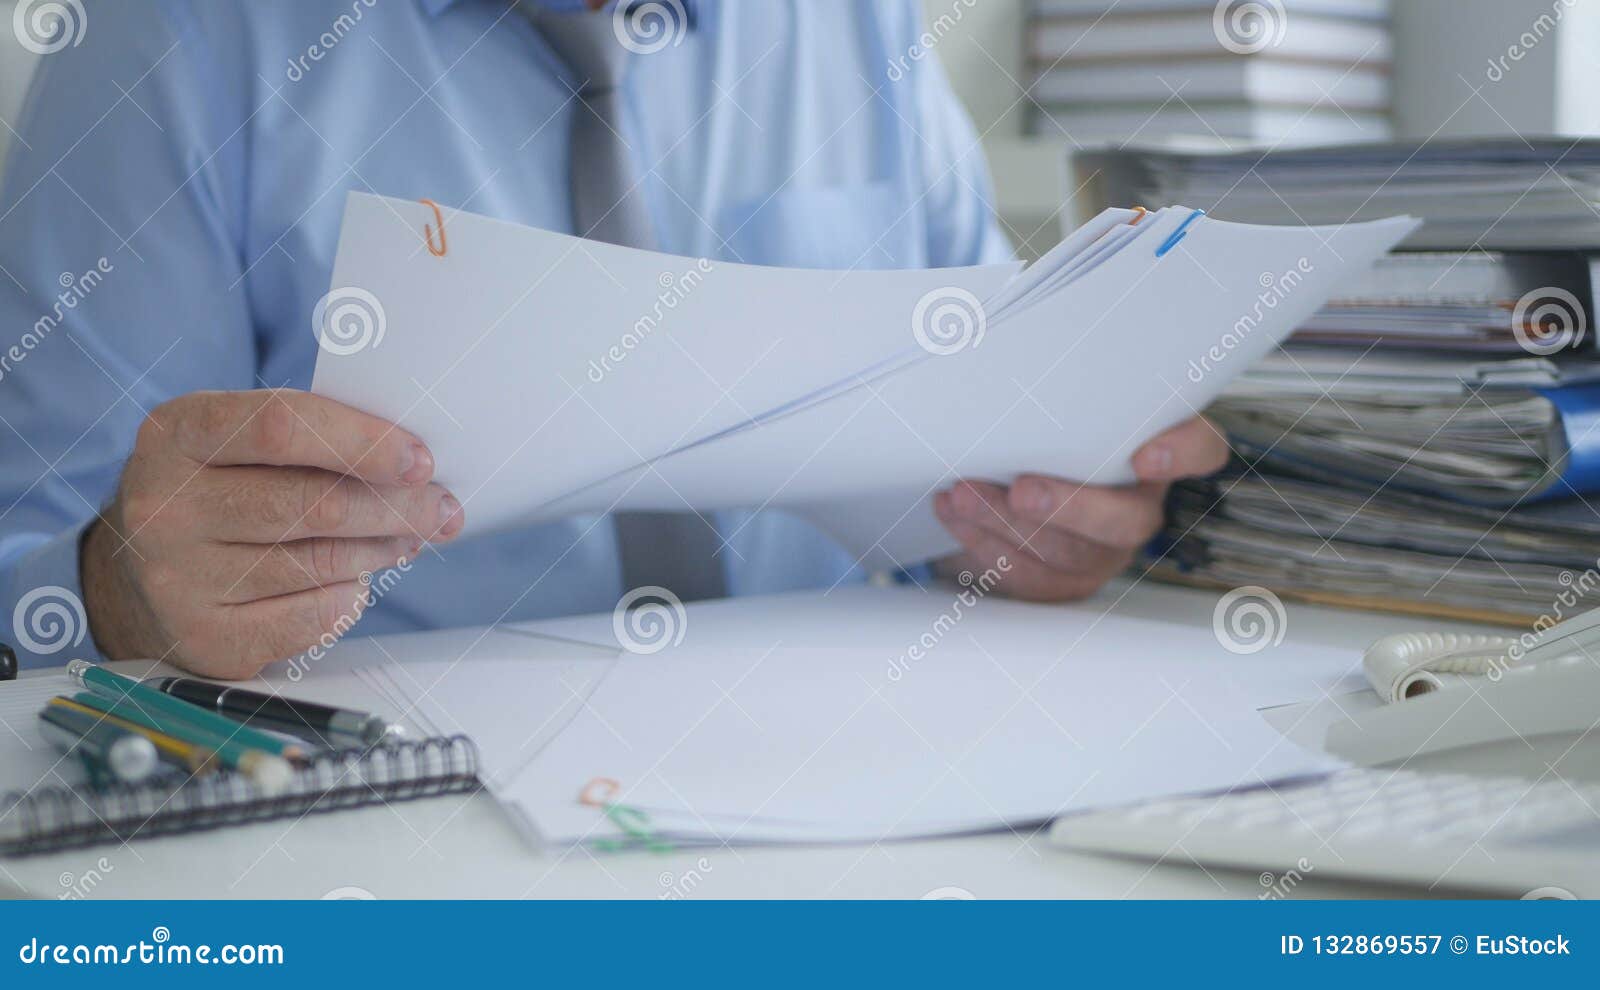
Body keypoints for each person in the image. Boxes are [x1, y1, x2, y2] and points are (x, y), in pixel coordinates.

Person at [0, 0, 1227, 677]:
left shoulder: (861, 29)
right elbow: (30, 571)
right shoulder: (170, 36)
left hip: (843, 765)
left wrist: (1029, 537)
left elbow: (985, 479)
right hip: (377, 811)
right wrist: (119, 589)